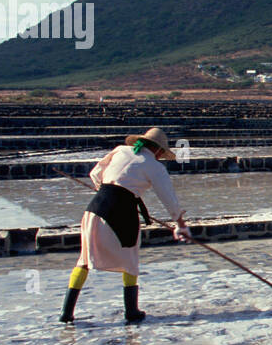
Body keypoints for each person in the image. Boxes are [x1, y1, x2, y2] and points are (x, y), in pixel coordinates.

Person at [59, 127, 192, 324]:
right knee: (130, 260)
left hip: (95, 208)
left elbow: (95, 173)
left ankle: (66, 313)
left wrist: (109, 191)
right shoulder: (154, 166)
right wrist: (180, 224)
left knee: (84, 259)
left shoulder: (120, 150)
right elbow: (168, 199)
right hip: (121, 213)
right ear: (158, 150)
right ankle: (131, 311)